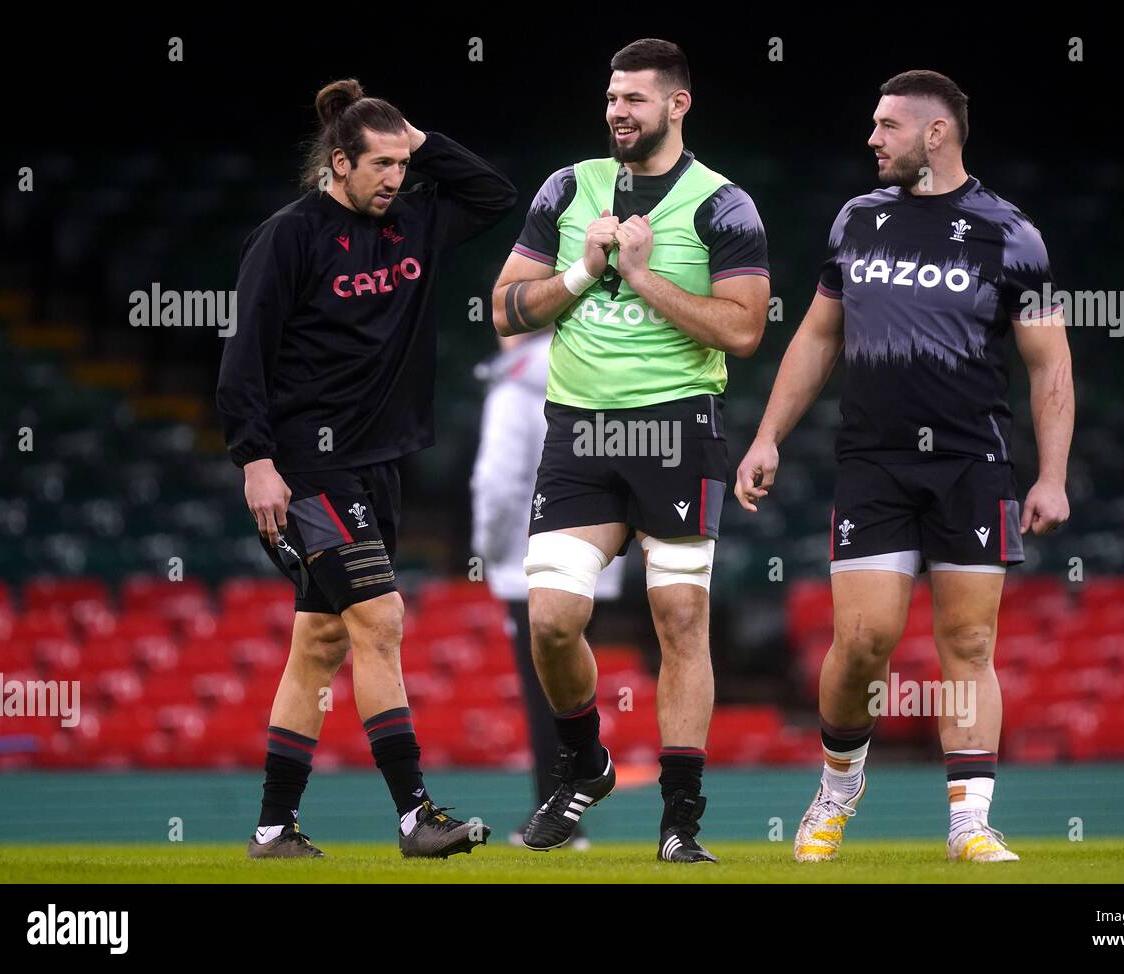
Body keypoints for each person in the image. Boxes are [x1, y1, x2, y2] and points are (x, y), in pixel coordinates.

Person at [735, 70, 1073, 864]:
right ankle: (838, 788)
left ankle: (969, 823)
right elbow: (818, 337)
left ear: (935, 135)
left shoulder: (1011, 233)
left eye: (887, 125)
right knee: (862, 641)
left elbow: (1049, 364)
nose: (872, 139)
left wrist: (1051, 473)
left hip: (973, 465)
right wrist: (768, 436)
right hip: (875, 465)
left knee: (968, 644)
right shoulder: (860, 220)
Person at [216, 78, 516, 859]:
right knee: (380, 622)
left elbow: (493, 196)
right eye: (377, 163)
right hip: (309, 467)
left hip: (378, 463)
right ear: (338, 163)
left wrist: (421, 139)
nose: (394, 177)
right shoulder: (290, 236)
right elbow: (242, 356)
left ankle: (274, 828)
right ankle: (416, 817)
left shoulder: (414, 219)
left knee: (318, 643)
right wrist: (255, 460)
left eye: (401, 162)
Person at [491, 38, 770, 862]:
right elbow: (506, 310)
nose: (619, 111)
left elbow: (746, 329)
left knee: (680, 618)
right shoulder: (566, 188)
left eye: (636, 99)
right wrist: (581, 272)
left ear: (678, 104)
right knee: (551, 620)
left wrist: (644, 276)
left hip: (677, 428)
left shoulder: (724, 205)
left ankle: (680, 821)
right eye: (612, 97)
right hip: (579, 432)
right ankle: (584, 765)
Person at [469, 328, 625, 849]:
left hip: (526, 560)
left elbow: (496, 479)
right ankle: (568, 810)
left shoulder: (514, 383)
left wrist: (489, 550)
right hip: (596, 557)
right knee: (576, 686)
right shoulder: (598, 362)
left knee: (546, 694)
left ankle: (557, 816)